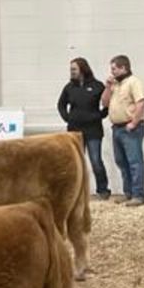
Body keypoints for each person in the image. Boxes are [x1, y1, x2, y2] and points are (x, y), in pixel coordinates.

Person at [57, 57, 110, 201]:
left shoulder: (97, 85)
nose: (71, 72)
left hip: (93, 131)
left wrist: (98, 116)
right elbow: (61, 105)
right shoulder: (69, 87)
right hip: (74, 131)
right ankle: (78, 193)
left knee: (96, 161)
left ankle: (103, 190)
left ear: (83, 69)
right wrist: (68, 118)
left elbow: (106, 104)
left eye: (74, 69)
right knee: (76, 163)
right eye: (71, 69)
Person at [100, 55, 144, 207]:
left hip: (130, 127)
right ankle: (128, 192)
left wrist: (134, 122)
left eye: (114, 68)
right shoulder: (115, 85)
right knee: (121, 161)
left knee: (134, 162)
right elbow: (104, 103)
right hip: (117, 127)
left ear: (123, 68)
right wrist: (108, 87)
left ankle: (138, 194)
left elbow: (141, 103)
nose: (112, 72)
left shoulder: (134, 82)